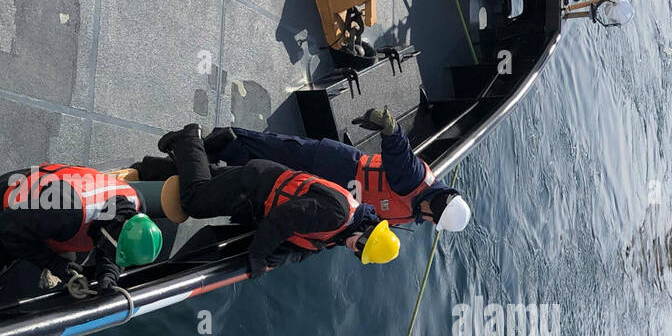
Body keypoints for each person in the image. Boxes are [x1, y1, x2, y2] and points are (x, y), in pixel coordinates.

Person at [157, 107, 472, 232]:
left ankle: (207, 160)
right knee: (275, 150)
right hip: (336, 166)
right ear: (436, 205)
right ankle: (214, 141)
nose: (430, 223)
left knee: (275, 174)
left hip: (333, 188)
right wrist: (390, 128)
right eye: (435, 220)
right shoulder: (414, 181)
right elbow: (399, 155)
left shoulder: (418, 207)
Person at [155, 123, 400, 276]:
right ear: (367, 233)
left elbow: (310, 247)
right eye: (361, 247)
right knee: (196, 201)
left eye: (359, 254)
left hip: (260, 190)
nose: (354, 250)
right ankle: (188, 139)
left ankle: (150, 171)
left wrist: (278, 258)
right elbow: (282, 219)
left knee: (208, 183)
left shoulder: (346, 229)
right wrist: (259, 256)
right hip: (255, 185)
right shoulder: (338, 214)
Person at [0, 164, 163, 297]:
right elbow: (7, 229)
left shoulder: (132, 202)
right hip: (4, 208)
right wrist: (55, 265)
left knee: (45, 250)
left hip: (38, 200)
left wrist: (109, 275)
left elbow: (114, 241)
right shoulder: (67, 211)